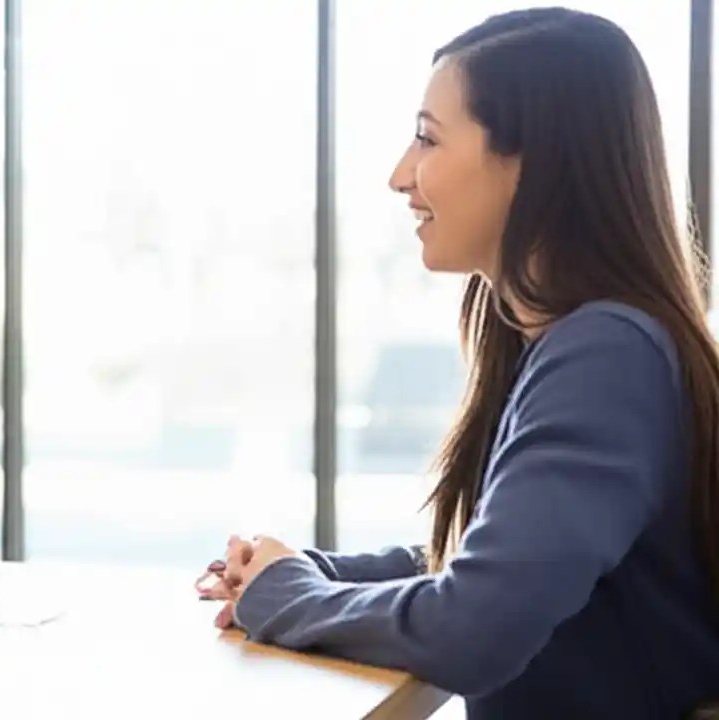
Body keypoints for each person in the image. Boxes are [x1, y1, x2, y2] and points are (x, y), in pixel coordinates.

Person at [200, 8, 719, 719]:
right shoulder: (580, 342)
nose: (399, 176)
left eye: (427, 139)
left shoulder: (607, 356)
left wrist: (286, 596)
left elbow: (474, 626)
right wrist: (306, 574)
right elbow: (499, 562)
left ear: (532, 162)